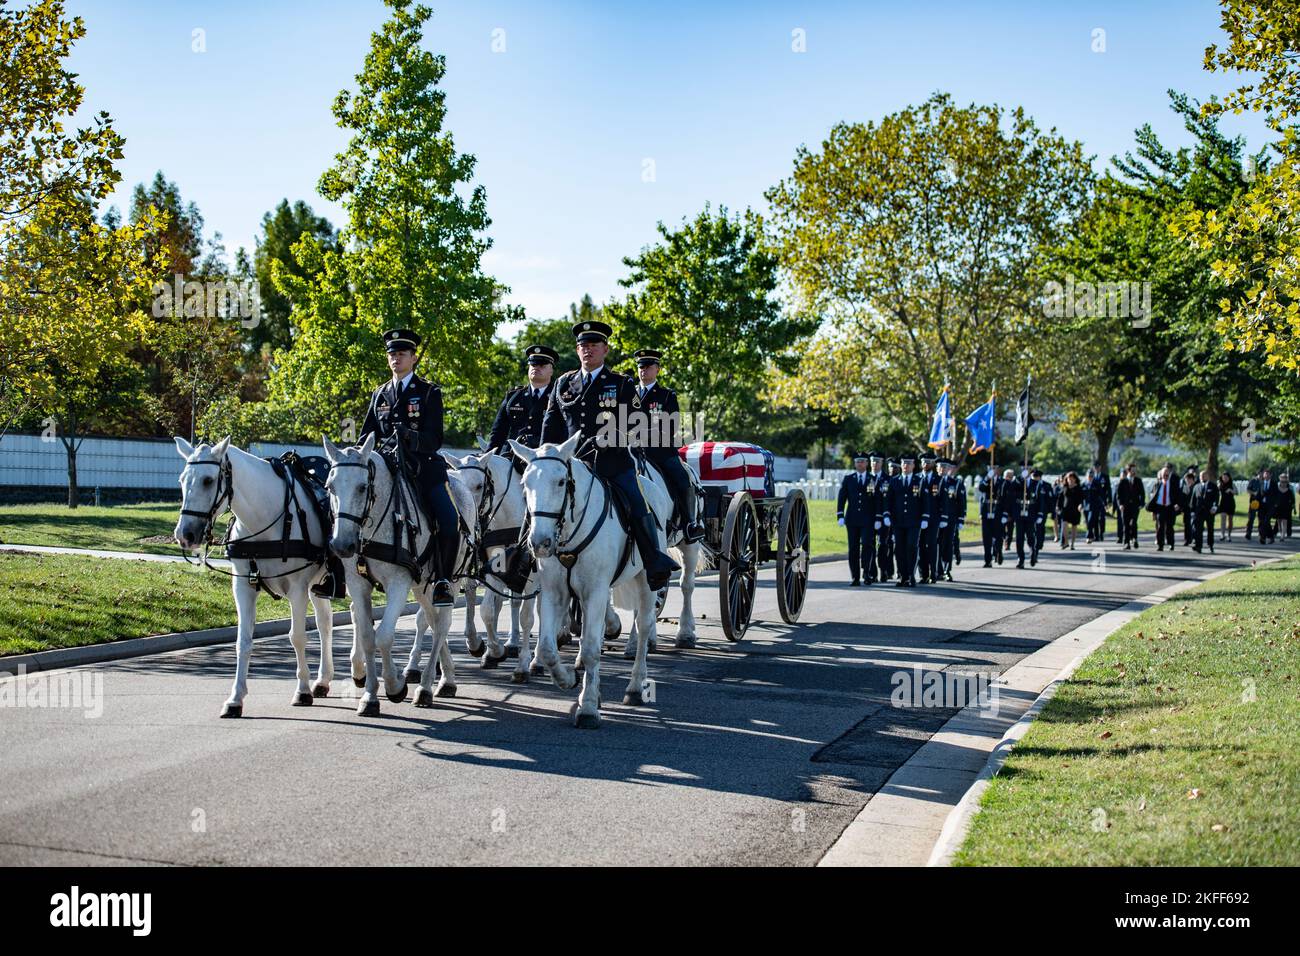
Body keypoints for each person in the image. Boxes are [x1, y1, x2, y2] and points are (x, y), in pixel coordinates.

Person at [540, 320, 679, 590]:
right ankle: (525, 557)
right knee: (538, 502)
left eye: (593, 345)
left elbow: (639, 425)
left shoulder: (621, 383)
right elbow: (550, 426)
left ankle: (654, 561)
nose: (587, 350)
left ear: (605, 349)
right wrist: (546, 458)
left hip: (612, 465)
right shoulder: (563, 384)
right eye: (582, 345)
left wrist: (611, 437)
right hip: (570, 467)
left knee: (638, 499)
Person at [360, 328, 460, 607]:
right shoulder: (379, 394)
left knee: (449, 520)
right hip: (386, 470)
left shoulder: (429, 392)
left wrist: (409, 437)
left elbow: (434, 439)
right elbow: (366, 435)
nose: (396, 359)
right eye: (392, 354)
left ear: (413, 358)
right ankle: (340, 575)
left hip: (421, 470)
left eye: (402, 354)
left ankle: (442, 580)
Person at [630, 348, 703, 543]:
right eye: (640, 367)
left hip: (660, 451)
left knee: (681, 477)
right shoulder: (629, 393)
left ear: (657, 370)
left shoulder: (666, 395)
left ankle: (689, 523)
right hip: (631, 450)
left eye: (648, 366)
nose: (643, 370)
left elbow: (671, 425)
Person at [488, 344, 558, 472]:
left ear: (551, 370)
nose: (536, 368)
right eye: (533, 365)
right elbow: (498, 433)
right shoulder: (513, 396)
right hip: (511, 459)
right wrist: (488, 458)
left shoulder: (559, 397)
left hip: (543, 460)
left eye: (542, 365)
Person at [837, 451, 882, 586]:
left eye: (862, 461)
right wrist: (840, 514)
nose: (860, 464)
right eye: (857, 461)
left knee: (868, 545)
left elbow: (878, 500)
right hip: (852, 519)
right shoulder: (848, 479)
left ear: (867, 463)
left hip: (868, 520)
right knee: (853, 549)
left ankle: (867, 573)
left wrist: (878, 518)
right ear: (854, 463)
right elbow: (842, 498)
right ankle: (855, 576)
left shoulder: (872, 479)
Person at [888, 454, 924, 587]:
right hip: (898, 521)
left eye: (909, 463)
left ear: (914, 466)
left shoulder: (919, 480)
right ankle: (903, 576)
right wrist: (887, 515)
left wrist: (925, 517)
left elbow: (924, 501)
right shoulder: (895, 481)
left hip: (914, 521)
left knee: (911, 547)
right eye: (904, 463)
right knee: (899, 549)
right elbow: (889, 500)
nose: (905, 465)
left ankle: (911, 576)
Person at [935, 457, 965, 581]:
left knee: (947, 544)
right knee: (936, 544)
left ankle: (947, 569)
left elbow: (961, 502)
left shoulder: (955, 483)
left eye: (945, 467)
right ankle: (936, 570)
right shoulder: (932, 482)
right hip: (935, 519)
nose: (942, 469)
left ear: (949, 469)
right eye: (940, 466)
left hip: (950, 519)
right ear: (937, 468)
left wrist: (961, 519)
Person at [976, 466, 1011, 567]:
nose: (992, 470)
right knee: (986, 537)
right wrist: (988, 478)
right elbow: (981, 488)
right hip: (986, 512)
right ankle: (988, 560)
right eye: (990, 468)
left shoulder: (1003, 482)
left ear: (998, 470)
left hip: (998, 512)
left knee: (998, 536)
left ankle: (998, 551)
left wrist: (1005, 513)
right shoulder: (985, 480)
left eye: (994, 468)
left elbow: (1006, 499)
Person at [916, 452, 942, 584]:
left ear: (933, 464)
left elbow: (943, 501)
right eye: (924, 462)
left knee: (931, 545)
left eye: (929, 462)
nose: (926, 464)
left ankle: (933, 572)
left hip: (933, 519)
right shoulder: (916, 478)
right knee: (920, 546)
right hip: (917, 519)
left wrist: (943, 517)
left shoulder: (938, 480)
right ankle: (923, 574)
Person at [1146, 465, 1182, 552]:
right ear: (1161, 475)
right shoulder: (1157, 484)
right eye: (1164, 474)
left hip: (1170, 507)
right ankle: (1160, 545)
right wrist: (1153, 512)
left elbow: (1179, 496)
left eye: (1167, 474)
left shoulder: (1173, 484)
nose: (1166, 475)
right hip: (1160, 507)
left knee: (1170, 527)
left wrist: (1178, 504)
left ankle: (1171, 543)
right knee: (1160, 527)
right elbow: (1153, 497)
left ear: (1169, 475)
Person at [877, 457, 899, 580]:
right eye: (890, 466)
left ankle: (896, 570)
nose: (892, 469)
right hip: (884, 517)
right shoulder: (883, 479)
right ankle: (886, 570)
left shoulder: (898, 481)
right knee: (885, 544)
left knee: (895, 545)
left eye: (895, 467)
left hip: (896, 517)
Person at [1189, 468, 1220, 554]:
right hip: (1199, 512)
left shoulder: (1213, 486)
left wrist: (1214, 507)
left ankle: (1210, 545)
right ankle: (1198, 546)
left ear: (1208, 476)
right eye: (1201, 476)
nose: (1202, 477)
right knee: (1198, 529)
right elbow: (1193, 500)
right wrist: (1192, 511)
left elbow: (1216, 498)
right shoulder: (1196, 486)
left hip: (1209, 511)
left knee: (1210, 529)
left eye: (1204, 475)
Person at [1114, 463, 1144, 549]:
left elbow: (1142, 493)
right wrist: (1120, 504)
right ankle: (1126, 542)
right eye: (1133, 470)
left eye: (1135, 470)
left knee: (1133, 523)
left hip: (1135, 506)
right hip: (1125, 506)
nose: (1134, 471)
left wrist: (1141, 503)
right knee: (1126, 524)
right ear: (1128, 470)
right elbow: (1118, 495)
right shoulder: (1123, 481)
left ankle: (1135, 538)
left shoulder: (1138, 481)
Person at [1057, 471, 1084, 550]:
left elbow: (1081, 498)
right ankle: (1066, 542)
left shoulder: (1079, 488)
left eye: (1072, 478)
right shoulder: (1065, 487)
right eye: (1069, 478)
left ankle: (1072, 543)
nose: (1070, 480)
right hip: (1065, 509)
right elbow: (1060, 498)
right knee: (1064, 525)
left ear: (1075, 479)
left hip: (1075, 509)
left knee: (1074, 527)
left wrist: (1080, 505)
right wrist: (1058, 506)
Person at [1089, 463, 1111, 542]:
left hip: (1102, 500)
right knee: (1094, 518)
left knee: (1102, 518)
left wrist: (1109, 500)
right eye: (1095, 467)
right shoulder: (1092, 476)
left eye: (1098, 467)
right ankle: (1096, 534)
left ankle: (1101, 533)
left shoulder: (1105, 477)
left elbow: (1108, 489)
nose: (1096, 468)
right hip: (1094, 501)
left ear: (1100, 467)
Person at [1257, 468, 1278, 545]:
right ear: (1263, 475)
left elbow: (1277, 495)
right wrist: (1255, 502)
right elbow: (1259, 494)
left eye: (1268, 473)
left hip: (1270, 506)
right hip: (1262, 505)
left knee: (1266, 520)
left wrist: (1276, 504)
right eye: (1265, 473)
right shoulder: (1261, 483)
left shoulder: (1274, 484)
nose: (1266, 475)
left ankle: (1262, 537)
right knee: (1262, 521)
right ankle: (1271, 536)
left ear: (1270, 475)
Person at [1180, 466, 1199, 546]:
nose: (1187, 481)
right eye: (1186, 479)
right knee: (1186, 524)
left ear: (1192, 479)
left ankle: (1194, 538)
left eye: (1189, 479)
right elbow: (1181, 498)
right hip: (1186, 509)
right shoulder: (1184, 487)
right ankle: (1187, 539)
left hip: (1194, 509)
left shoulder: (1196, 487)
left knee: (1194, 524)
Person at [1217, 472, 1236, 542]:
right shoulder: (1220, 484)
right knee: (1223, 519)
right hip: (1222, 503)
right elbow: (1216, 492)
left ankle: (1229, 535)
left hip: (1230, 503)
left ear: (1229, 478)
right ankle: (1222, 534)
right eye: (1223, 477)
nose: (1225, 478)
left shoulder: (1232, 484)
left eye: (1226, 477)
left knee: (1230, 520)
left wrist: (1231, 490)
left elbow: (1236, 492)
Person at [1245, 469, 1263, 539]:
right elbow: (1248, 490)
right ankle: (1248, 533)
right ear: (1258, 473)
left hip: (1262, 502)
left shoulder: (1264, 482)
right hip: (1254, 501)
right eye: (1260, 473)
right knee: (1251, 518)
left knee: (1261, 518)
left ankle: (1261, 532)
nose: (1261, 475)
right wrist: (1253, 493)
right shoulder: (1253, 481)